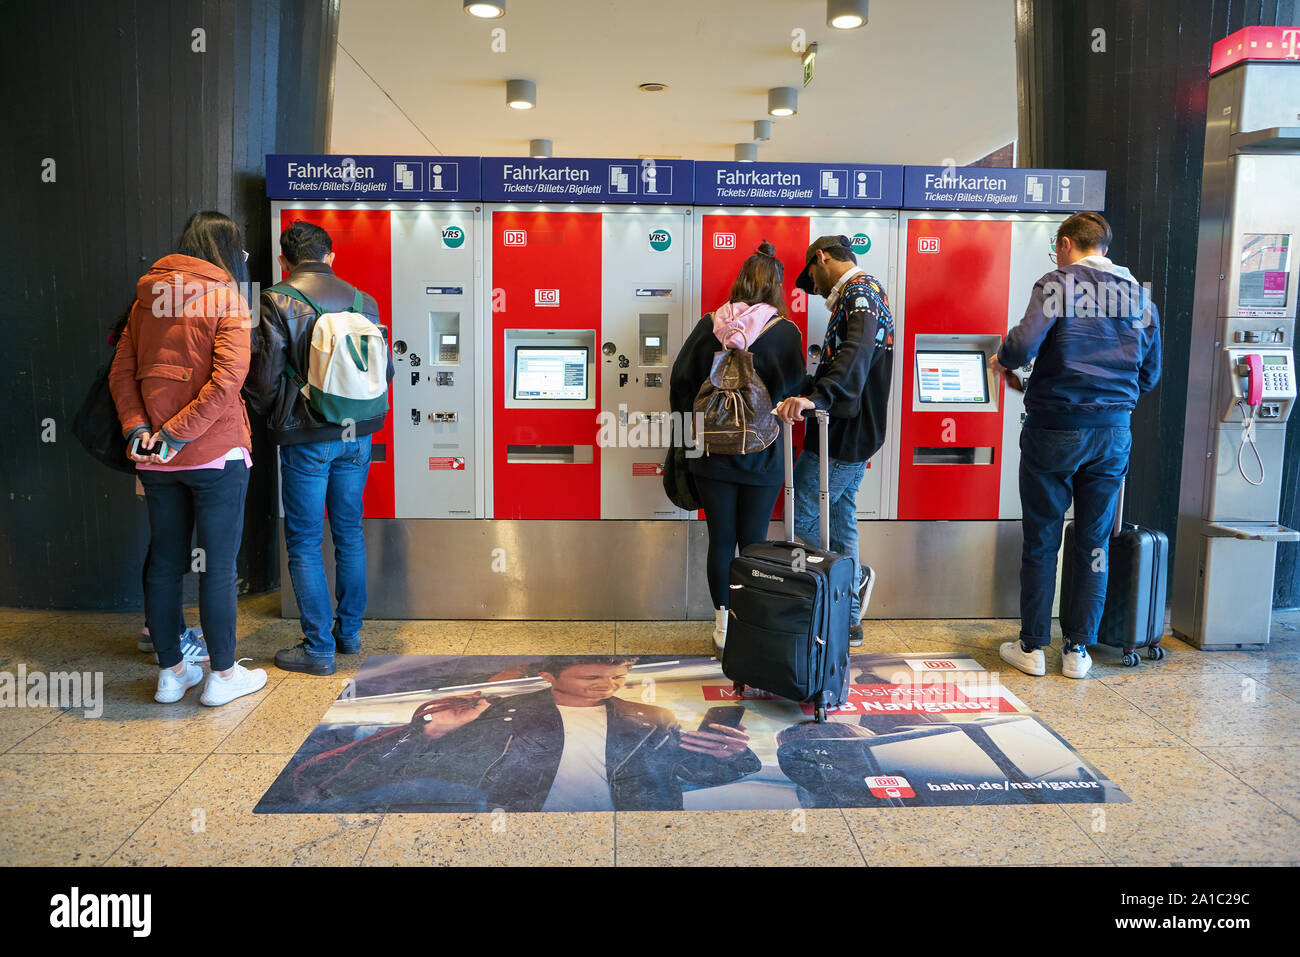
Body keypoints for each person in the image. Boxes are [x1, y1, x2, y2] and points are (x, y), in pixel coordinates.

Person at [992, 211, 1161, 679]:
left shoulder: (1057, 284)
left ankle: (1031, 649)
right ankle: (1078, 652)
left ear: (1066, 244)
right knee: (1094, 542)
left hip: (1054, 429)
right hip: (1112, 434)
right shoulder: (1139, 297)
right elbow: (1150, 374)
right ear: (1104, 247)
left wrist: (1002, 358)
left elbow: (1022, 346)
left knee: (1042, 538)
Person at [109, 210, 267, 706]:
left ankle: (172, 673)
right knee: (217, 567)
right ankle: (221, 677)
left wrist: (142, 430)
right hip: (216, 455)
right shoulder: (229, 299)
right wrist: (179, 434)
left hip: (156, 460)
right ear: (226, 250)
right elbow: (228, 383)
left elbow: (122, 375)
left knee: (163, 563)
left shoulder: (146, 301)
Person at [296, 656, 761, 811]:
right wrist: (434, 733)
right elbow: (403, 772)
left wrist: (728, 757)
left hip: (635, 826)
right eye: (591, 678)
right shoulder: (497, 712)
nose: (606, 687)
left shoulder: (651, 717)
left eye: (617, 677)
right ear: (549, 676)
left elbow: (677, 775)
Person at [243, 220, 393, 676]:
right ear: (331, 257)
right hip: (358, 431)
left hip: (306, 436)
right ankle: (349, 635)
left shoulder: (273, 299)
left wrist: (272, 417)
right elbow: (382, 374)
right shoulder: (364, 300)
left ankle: (318, 648)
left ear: (283, 259)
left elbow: (264, 379)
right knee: (349, 532)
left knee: (305, 540)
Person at [669, 242, 806, 653]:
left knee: (721, 540)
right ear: (775, 286)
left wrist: (693, 437)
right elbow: (793, 391)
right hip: (762, 456)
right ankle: (750, 621)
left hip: (711, 457)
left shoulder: (709, 324)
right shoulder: (783, 331)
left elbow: (680, 382)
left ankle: (722, 626)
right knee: (754, 542)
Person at [775, 236, 894, 646]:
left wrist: (816, 397)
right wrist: (806, 388)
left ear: (821, 259)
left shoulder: (860, 294)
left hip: (845, 431)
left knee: (805, 511)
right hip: (855, 429)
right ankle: (849, 617)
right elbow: (840, 359)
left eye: (813, 277)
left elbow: (855, 353)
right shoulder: (864, 292)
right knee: (841, 513)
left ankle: (852, 577)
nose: (816, 287)